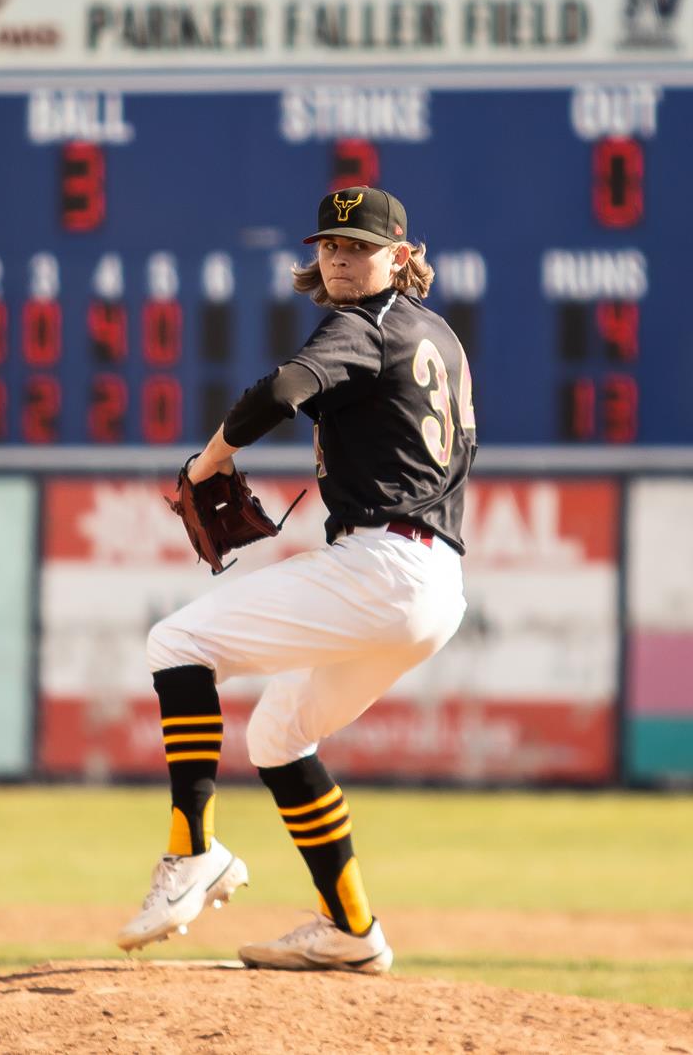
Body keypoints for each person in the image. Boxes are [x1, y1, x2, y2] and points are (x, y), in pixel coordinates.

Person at [117, 186, 476, 974]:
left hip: (384, 567)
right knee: (278, 735)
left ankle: (192, 853)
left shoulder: (365, 323)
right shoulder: (440, 336)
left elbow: (281, 392)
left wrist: (207, 462)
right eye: (331, 245)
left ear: (402, 256)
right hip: (435, 583)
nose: (341, 259)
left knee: (176, 644)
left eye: (360, 246)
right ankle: (351, 928)